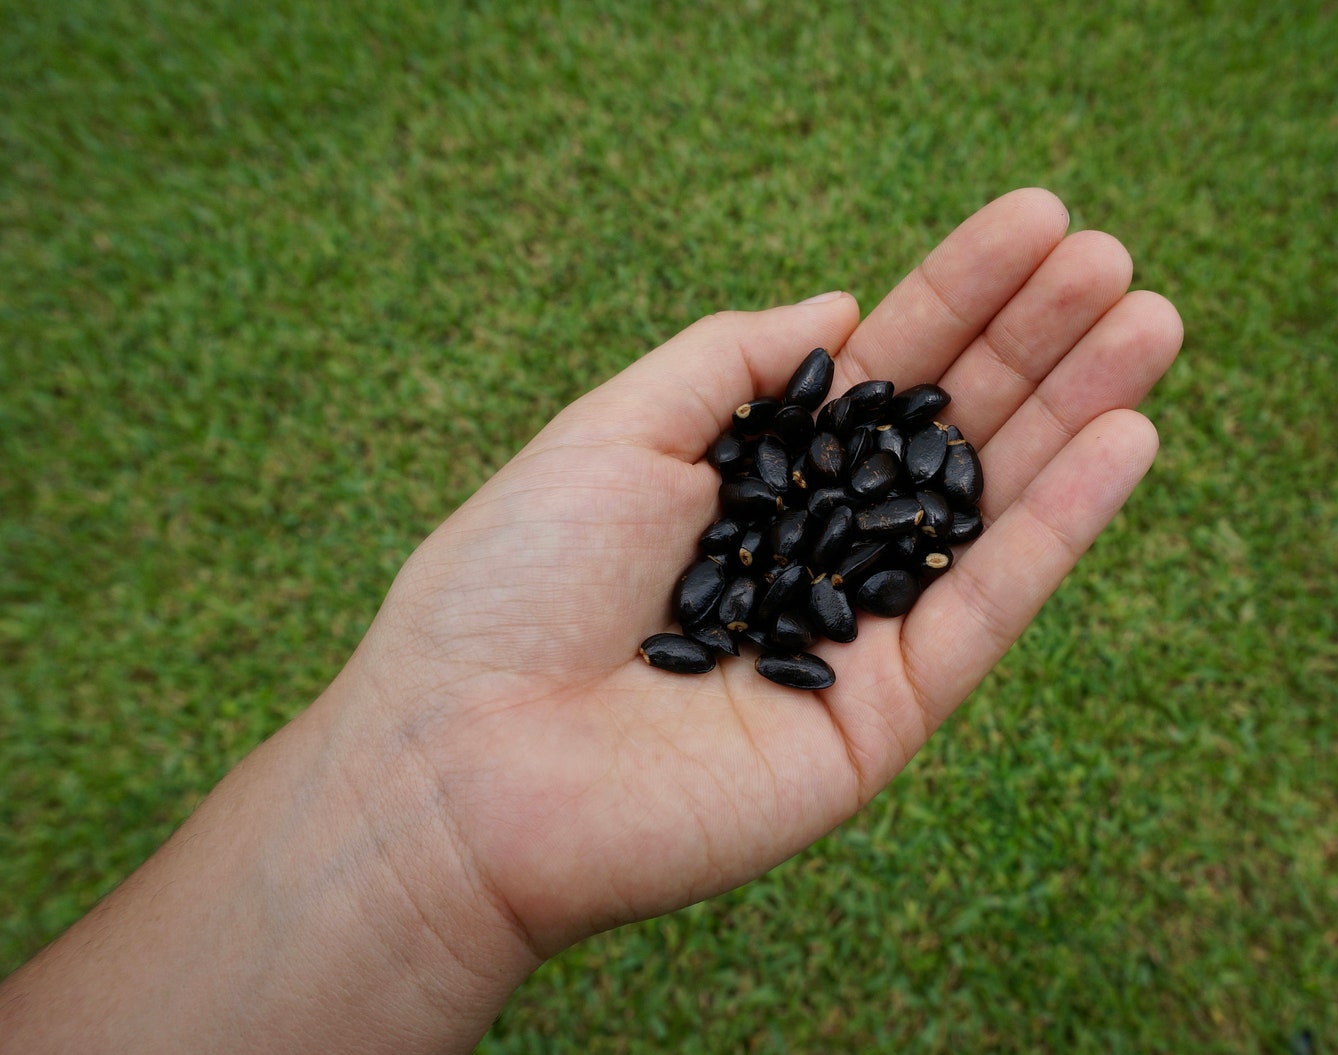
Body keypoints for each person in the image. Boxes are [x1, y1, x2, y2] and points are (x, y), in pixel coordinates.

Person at [0, 188, 1182, 1052]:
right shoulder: (781, 532)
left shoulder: (840, 503)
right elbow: (788, 539)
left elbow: (835, 522)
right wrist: (434, 831)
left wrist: (427, 846)